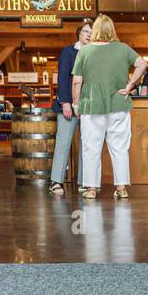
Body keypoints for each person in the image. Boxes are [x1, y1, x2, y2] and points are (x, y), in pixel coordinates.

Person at [71, 14, 148, 200]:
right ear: (112, 30)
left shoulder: (85, 51)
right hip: (119, 104)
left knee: (91, 147)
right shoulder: (123, 49)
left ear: (95, 30)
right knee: (120, 147)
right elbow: (142, 64)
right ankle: (121, 187)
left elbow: (77, 81)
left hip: (91, 104)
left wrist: (75, 104)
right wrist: (130, 85)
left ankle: (90, 188)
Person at [49, 20, 91, 196]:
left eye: (91, 31)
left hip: (88, 106)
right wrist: (65, 102)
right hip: (69, 105)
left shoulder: (94, 53)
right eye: (86, 31)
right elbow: (63, 78)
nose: (89, 34)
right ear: (79, 34)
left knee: (86, 144)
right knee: (64, 142)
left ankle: (84, 182)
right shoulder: (69, 51)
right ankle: (56, 181)